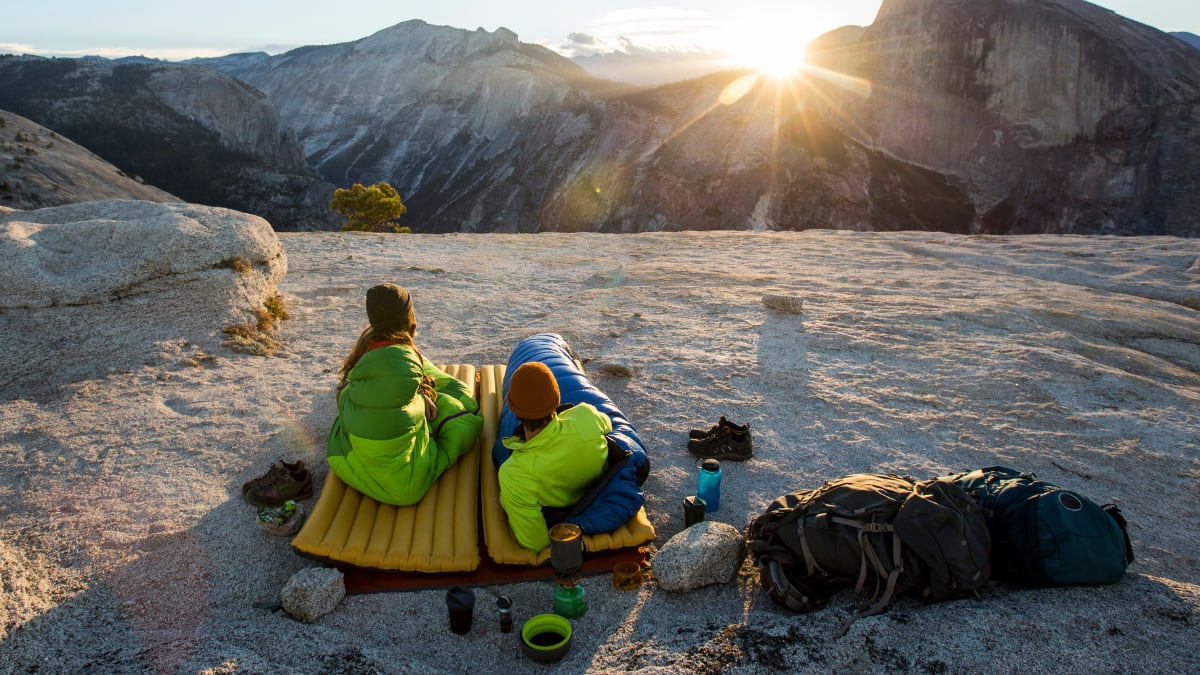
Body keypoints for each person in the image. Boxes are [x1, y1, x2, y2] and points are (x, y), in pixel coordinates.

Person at [326, 283, 482, 506]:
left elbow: (343, 399)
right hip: (410, 483)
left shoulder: (362, 354)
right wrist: (424, 395)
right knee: (464, 415)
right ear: (408, 317)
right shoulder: (409, 361)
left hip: (357, 469)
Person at [498, 361, 612, 551]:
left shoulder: (514, 473)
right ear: (557, 400)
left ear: (515, 410)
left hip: (559, 515)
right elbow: (608, 424)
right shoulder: (585, 415)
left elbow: (535, 542)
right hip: (597, 494)